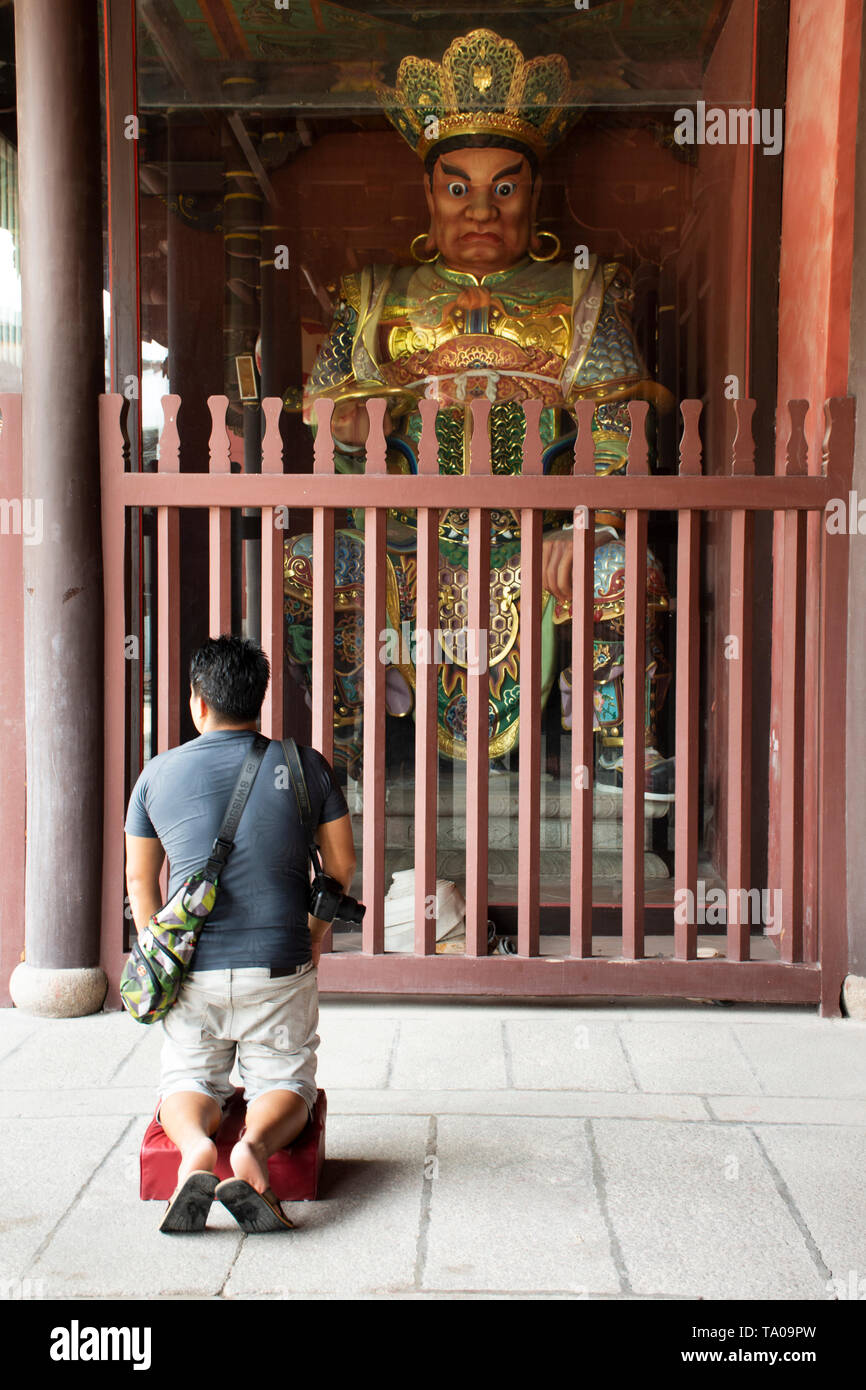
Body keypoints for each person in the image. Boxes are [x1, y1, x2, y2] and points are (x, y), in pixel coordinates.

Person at [283, 27, 673, 792]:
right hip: (402, 537)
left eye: (506, 186)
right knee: (303, 565)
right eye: (458, 187)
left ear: (535, 192)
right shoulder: (373, 295)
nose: (481, 208)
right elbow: (325, 414)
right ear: (429, 194)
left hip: (545, 535)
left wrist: (587, 520)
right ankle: (350, 734)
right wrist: (362, 417)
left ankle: (619, 739)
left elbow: (624, 430)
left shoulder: (582, 295)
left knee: (632, 572)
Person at [124, 635, 355, 1233]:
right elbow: (341, 867)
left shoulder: (156, 775)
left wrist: (162, 957)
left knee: (189, 1076)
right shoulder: (305, 766)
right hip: (279, 962)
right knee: (285, 1077)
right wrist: (313, 932)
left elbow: (140, 878)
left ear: (198, 704)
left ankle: (197, 1152)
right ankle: (252, 1150)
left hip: (193, 967)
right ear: (260, 701)